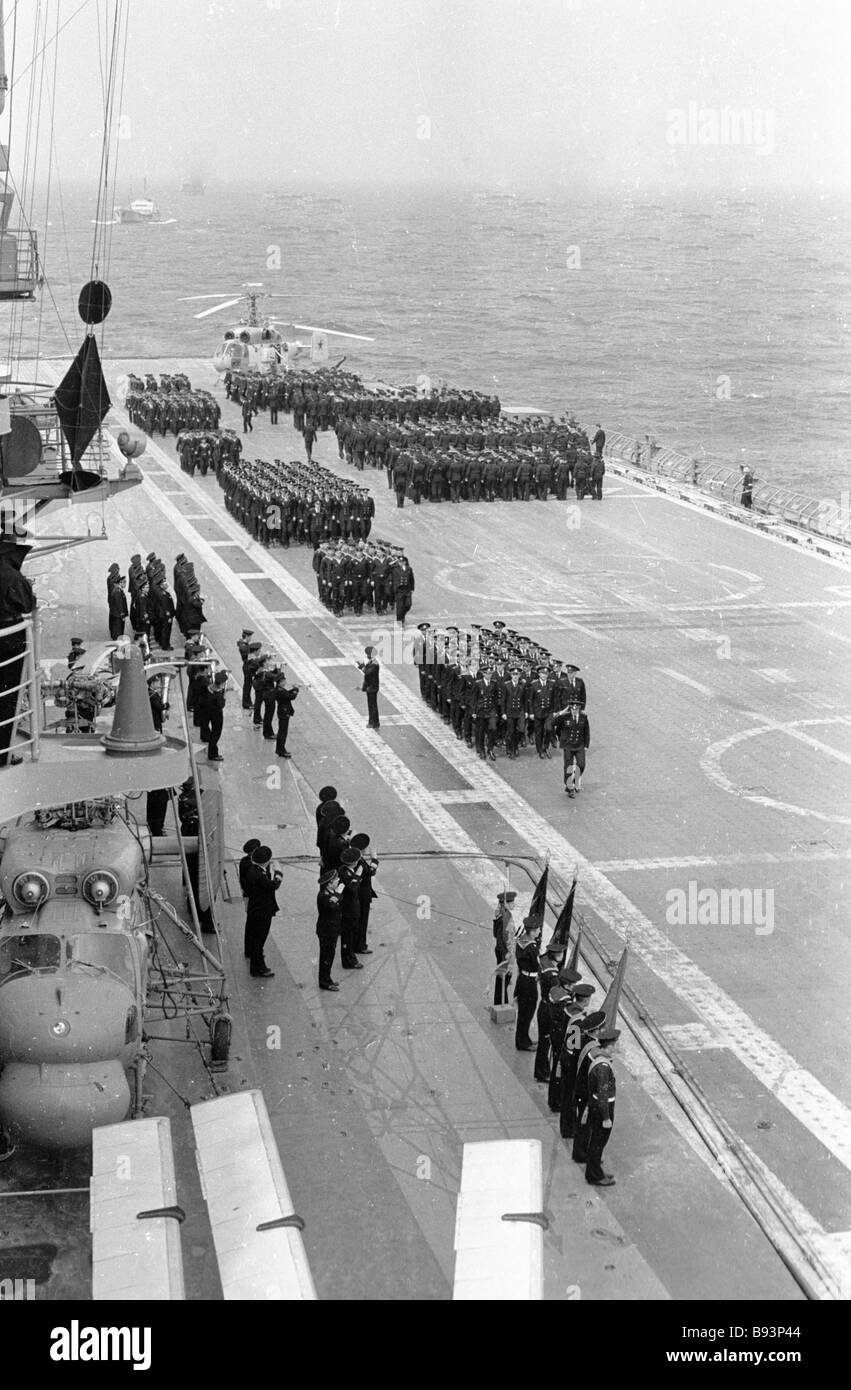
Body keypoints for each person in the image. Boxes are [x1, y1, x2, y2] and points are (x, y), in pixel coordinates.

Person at [0, 538, 36, 767]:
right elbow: (26, 604)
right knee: (7, 699)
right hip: (9, 638)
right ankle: (3, 753)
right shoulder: (10, 575)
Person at [575, 1026, 619, 1185]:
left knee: (596, 1141)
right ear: (610, 1045)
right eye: (616, 1044)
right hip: (602, 1108)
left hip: (595, 1104)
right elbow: (603, 1093)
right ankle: (594, 1175)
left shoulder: (596, 1056)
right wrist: (606, 1117)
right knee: (598, 1141)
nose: (617, 1047)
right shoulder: (603, 1067)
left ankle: (595, 1170)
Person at [244, 845, 282, 978]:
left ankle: (257, 964)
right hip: (262, 911)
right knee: (259, 940)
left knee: (256, 938)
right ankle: (258, 968)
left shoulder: (252, 870)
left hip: (255, 908)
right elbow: (274, 885)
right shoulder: (260, 875)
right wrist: (278, 872)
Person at [513, 917, 541, 1051]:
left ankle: (524, 1039)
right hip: (530, 982)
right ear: (533, 931)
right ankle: (522, 1042)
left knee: (523, 1013)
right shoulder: (532, 946)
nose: (540, 931)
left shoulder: (521, 940)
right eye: (538, 929)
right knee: (527, 1013)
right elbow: (537, 965)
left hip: (522, 978)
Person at [554, 701, 590, 798]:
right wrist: (562, 712)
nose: (574, 711)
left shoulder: (583, 717)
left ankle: (574, 780)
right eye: (572, 709)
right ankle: (569, 788)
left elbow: (586, 731)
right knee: (568, 767)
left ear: (579, 709)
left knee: (581, 764)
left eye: (576, 709)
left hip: (579, 745)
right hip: (568, 745)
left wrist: (586, 745)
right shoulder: (565, 717)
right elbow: (553, 722)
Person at [316, 869, 343, 990]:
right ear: (329, 883)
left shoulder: (330, 893)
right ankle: (325, 982)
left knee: (330, 955)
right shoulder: (323, 896)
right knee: (326, 957)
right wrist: (338, 894)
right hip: (326, 930)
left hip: (332, 929)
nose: (338, 881)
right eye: (336, 880)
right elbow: (331, 905)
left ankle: (328, 978)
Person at [492, 890, 516, 1005]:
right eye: (512, 903)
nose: (514, 905)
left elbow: (495, 934)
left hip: (499, 949)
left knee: (500, 978)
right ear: (506, 903)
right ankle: (502, 1003)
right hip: (504, 952)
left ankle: (499, 1002)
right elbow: (505, 937)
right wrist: (509, 953)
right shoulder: (507, 916)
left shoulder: (500, 914)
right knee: (504, 980)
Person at [273, 670, 299, 757]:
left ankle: (280, 749)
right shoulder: (280, 691)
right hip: (284, 712)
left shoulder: (279, 689)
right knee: (282, 732)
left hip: (282, 711)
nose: (285, 682)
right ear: (280, 682)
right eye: (284, 681)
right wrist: (295, 689)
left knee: (282, 731)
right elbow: (291, 696)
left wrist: (293, 689)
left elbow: (287, 693)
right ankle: (281, 750)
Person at [206, 670, 227, 763]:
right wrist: (223, 696)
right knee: (216, 734)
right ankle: (213, 754)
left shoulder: (209, 688)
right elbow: (221, 705)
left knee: (213, 734)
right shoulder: (218, 694)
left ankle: (212, 752)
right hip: (217, 715)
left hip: (209, 712)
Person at [358, 645, 380, 729]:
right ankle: (373, 721)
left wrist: (361, 666)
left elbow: (367, 672)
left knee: (372, 706)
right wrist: (362, 665)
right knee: (371, 705)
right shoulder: (371, 662)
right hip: (370, 686)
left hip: (372, 687)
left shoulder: (374, 664)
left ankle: (374, 722)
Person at [108, 574, 128, 640]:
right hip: (118, 616)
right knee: (118, 632)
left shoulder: (118, 590)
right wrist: (122, 615)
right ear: (120, 583)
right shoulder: (117, 592)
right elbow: (119, 605)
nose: (125, 584)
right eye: (124, 582)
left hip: (116, 615)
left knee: (118, 632)